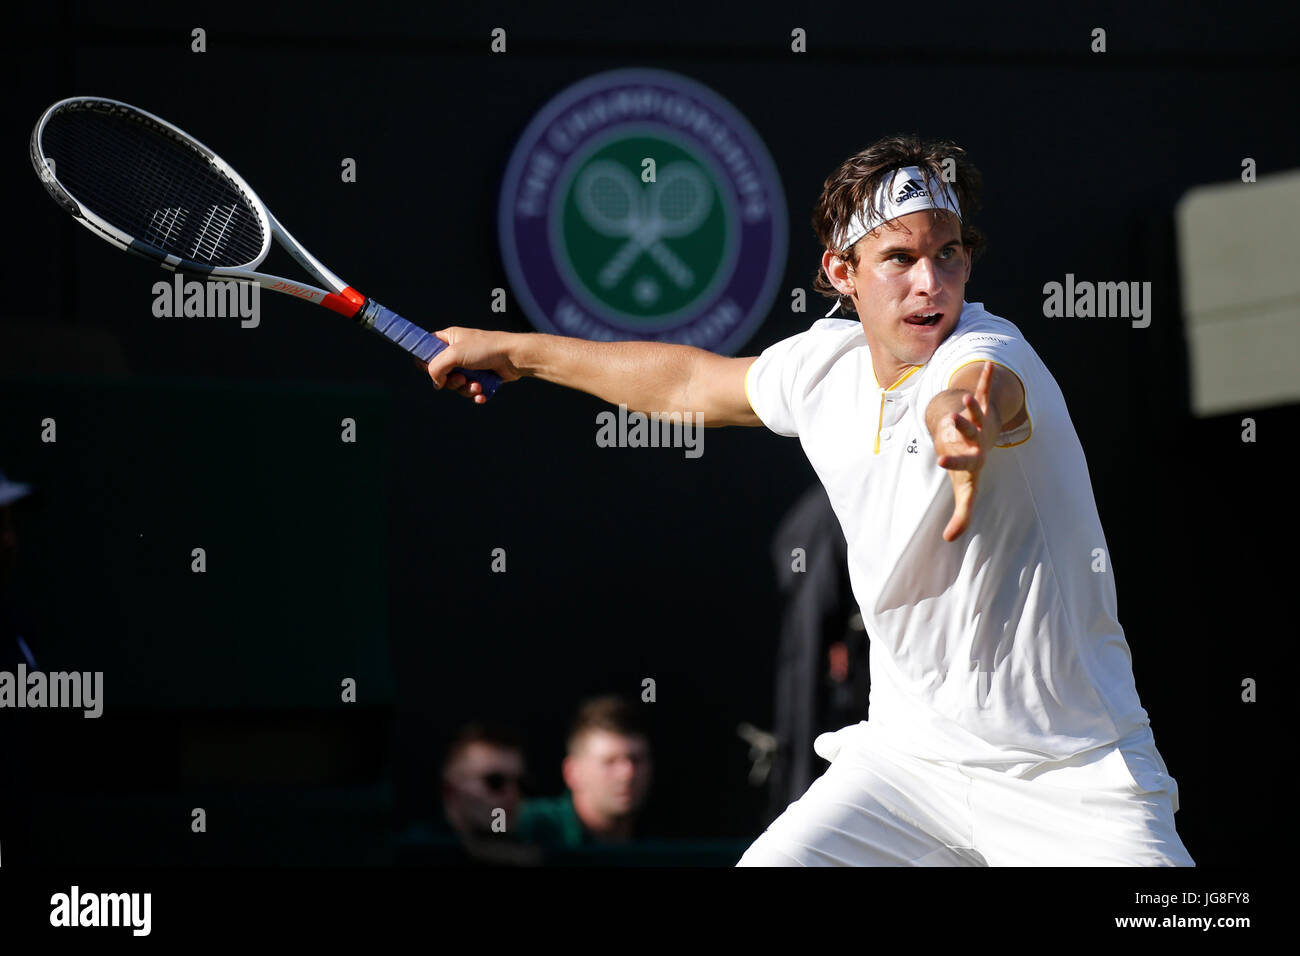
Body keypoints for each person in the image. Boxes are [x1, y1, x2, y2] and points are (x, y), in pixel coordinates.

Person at [425, 134, 1193, 866]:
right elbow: (688, 382)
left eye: (948, 254)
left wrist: (958, 423)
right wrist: (518, 353)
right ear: (841, 273)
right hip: (910, 768)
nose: (932, 282)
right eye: (900, 258)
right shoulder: (820, 367)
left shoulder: (990, 352)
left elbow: (976, 391)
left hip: (1070, 778)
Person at [516, 695, 652, 848]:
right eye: (610, 761)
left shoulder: (666, 836)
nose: (627, 773)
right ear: (572, 773)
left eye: (636, 759)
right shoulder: (524, 828)